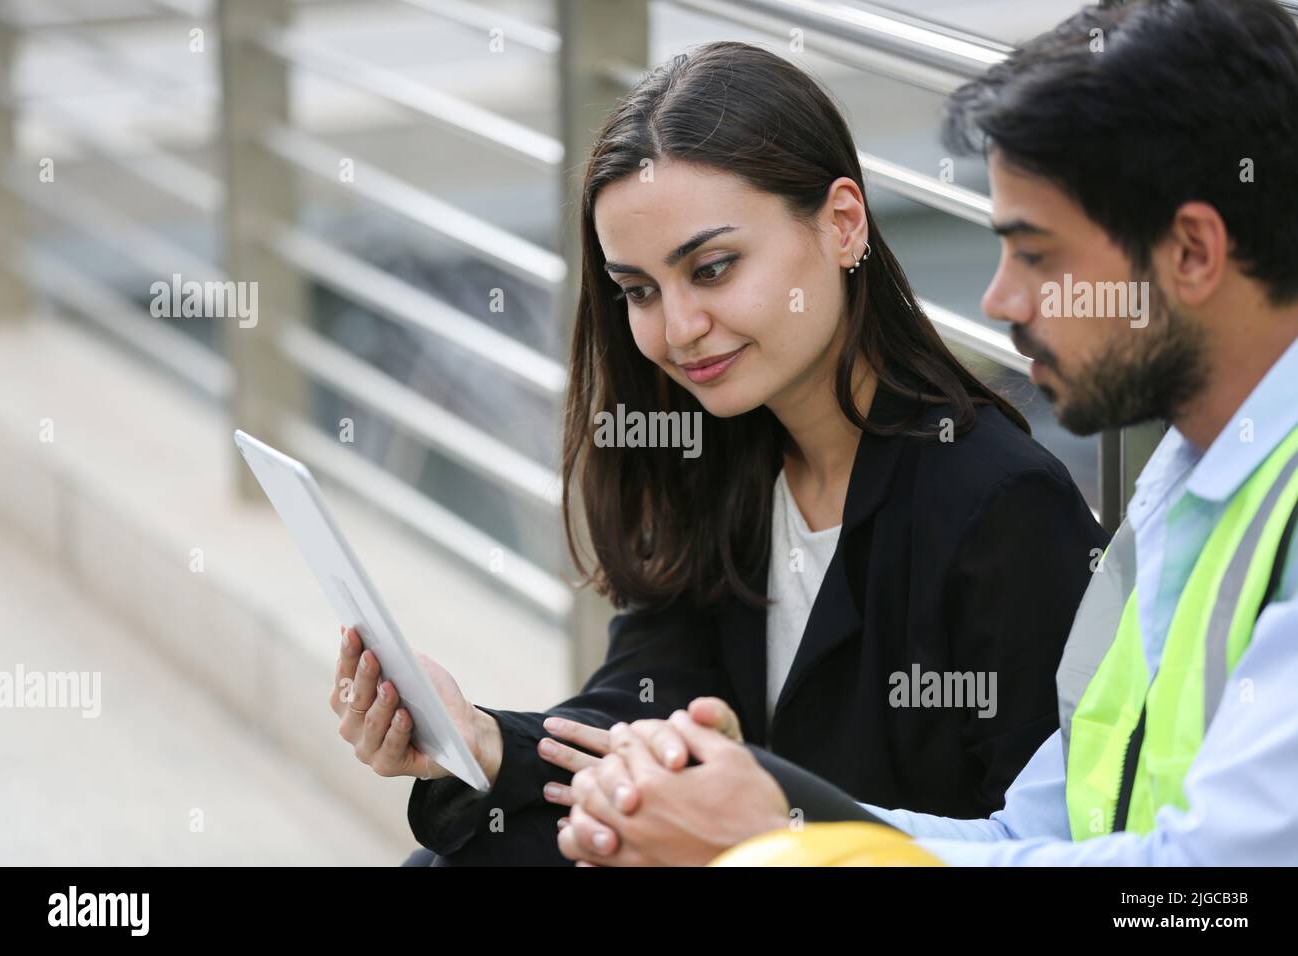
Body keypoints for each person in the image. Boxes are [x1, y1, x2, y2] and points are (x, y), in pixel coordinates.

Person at [554, 0, 1298, 867]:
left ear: (1194, 254)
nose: (1000, 303)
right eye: (637, 289)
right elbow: (1030, 836)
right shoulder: (1183, 485)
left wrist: (780, 847)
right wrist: (777, 827)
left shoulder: (1030, 499)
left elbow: (1206, 894)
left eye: (1038, 255)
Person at [329, 40, 1104, 866]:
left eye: (714, 267)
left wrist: (757, 821)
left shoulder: (1001, 506)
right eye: (639, 291)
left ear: (844, 225)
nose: (677, 329)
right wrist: (475, 741)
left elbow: (1044, 840)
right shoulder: (719, 452)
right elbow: (636, 710)